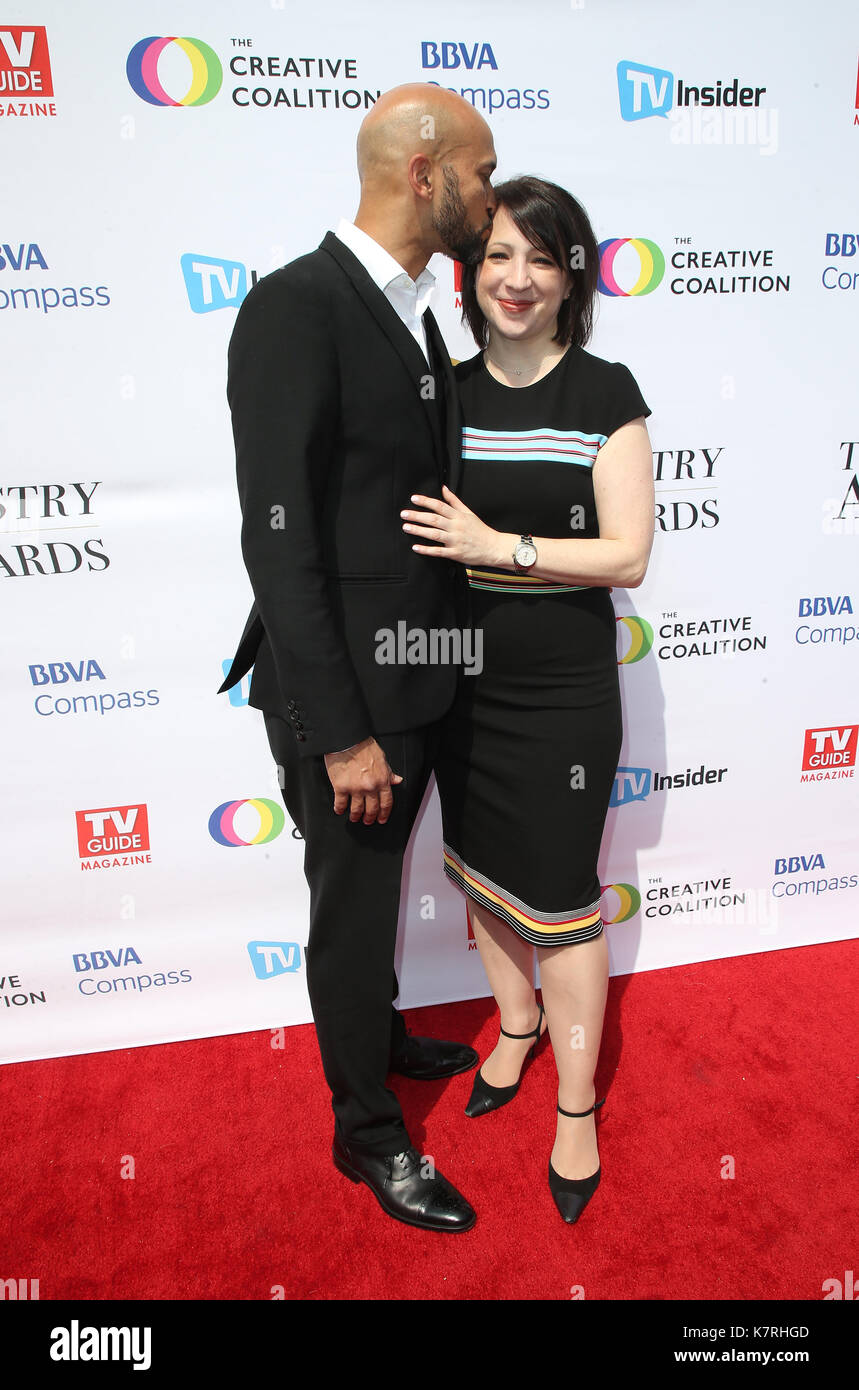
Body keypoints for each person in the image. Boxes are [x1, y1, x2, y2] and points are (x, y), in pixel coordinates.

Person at [217, 85, 498, 1233]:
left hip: (421, 671)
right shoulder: (295, 307)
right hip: (347, 703)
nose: (489, 194)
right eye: (480, 172)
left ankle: (378, 1040)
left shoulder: (423, 311)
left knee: (374, 898)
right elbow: (275, 540)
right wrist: (340, 732)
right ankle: (367, 1135)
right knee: (348, 913)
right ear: (424, 172)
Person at [400, 176, 655, 1223]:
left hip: (560, 695)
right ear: (471, 270)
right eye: (498, 254)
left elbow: (627, 552)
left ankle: (579, 1104)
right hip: (462, 680)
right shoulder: (443, 390)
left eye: (540, 258)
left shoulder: (606, 391)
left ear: (569, 277)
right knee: (482, 871)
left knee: (561, 898)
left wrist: (498, 547)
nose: (515, 278)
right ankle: (515, 1027)